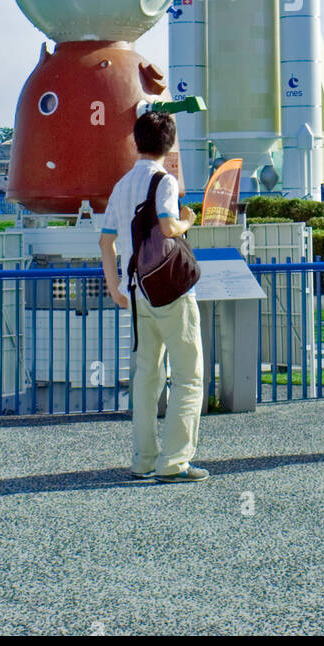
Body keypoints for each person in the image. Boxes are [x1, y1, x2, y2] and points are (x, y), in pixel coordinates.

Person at [99, 112, 208, 483]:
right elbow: (167, 226)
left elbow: (106, 241)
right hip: (170, 293)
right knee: (188, 376)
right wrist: (188, 221)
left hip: (136, 293)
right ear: (169, 144)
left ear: (136, 141)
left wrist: (114, 286)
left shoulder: (122, 185)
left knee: (146, 378)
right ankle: (175, 462)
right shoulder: (164, 181)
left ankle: (144, 459)